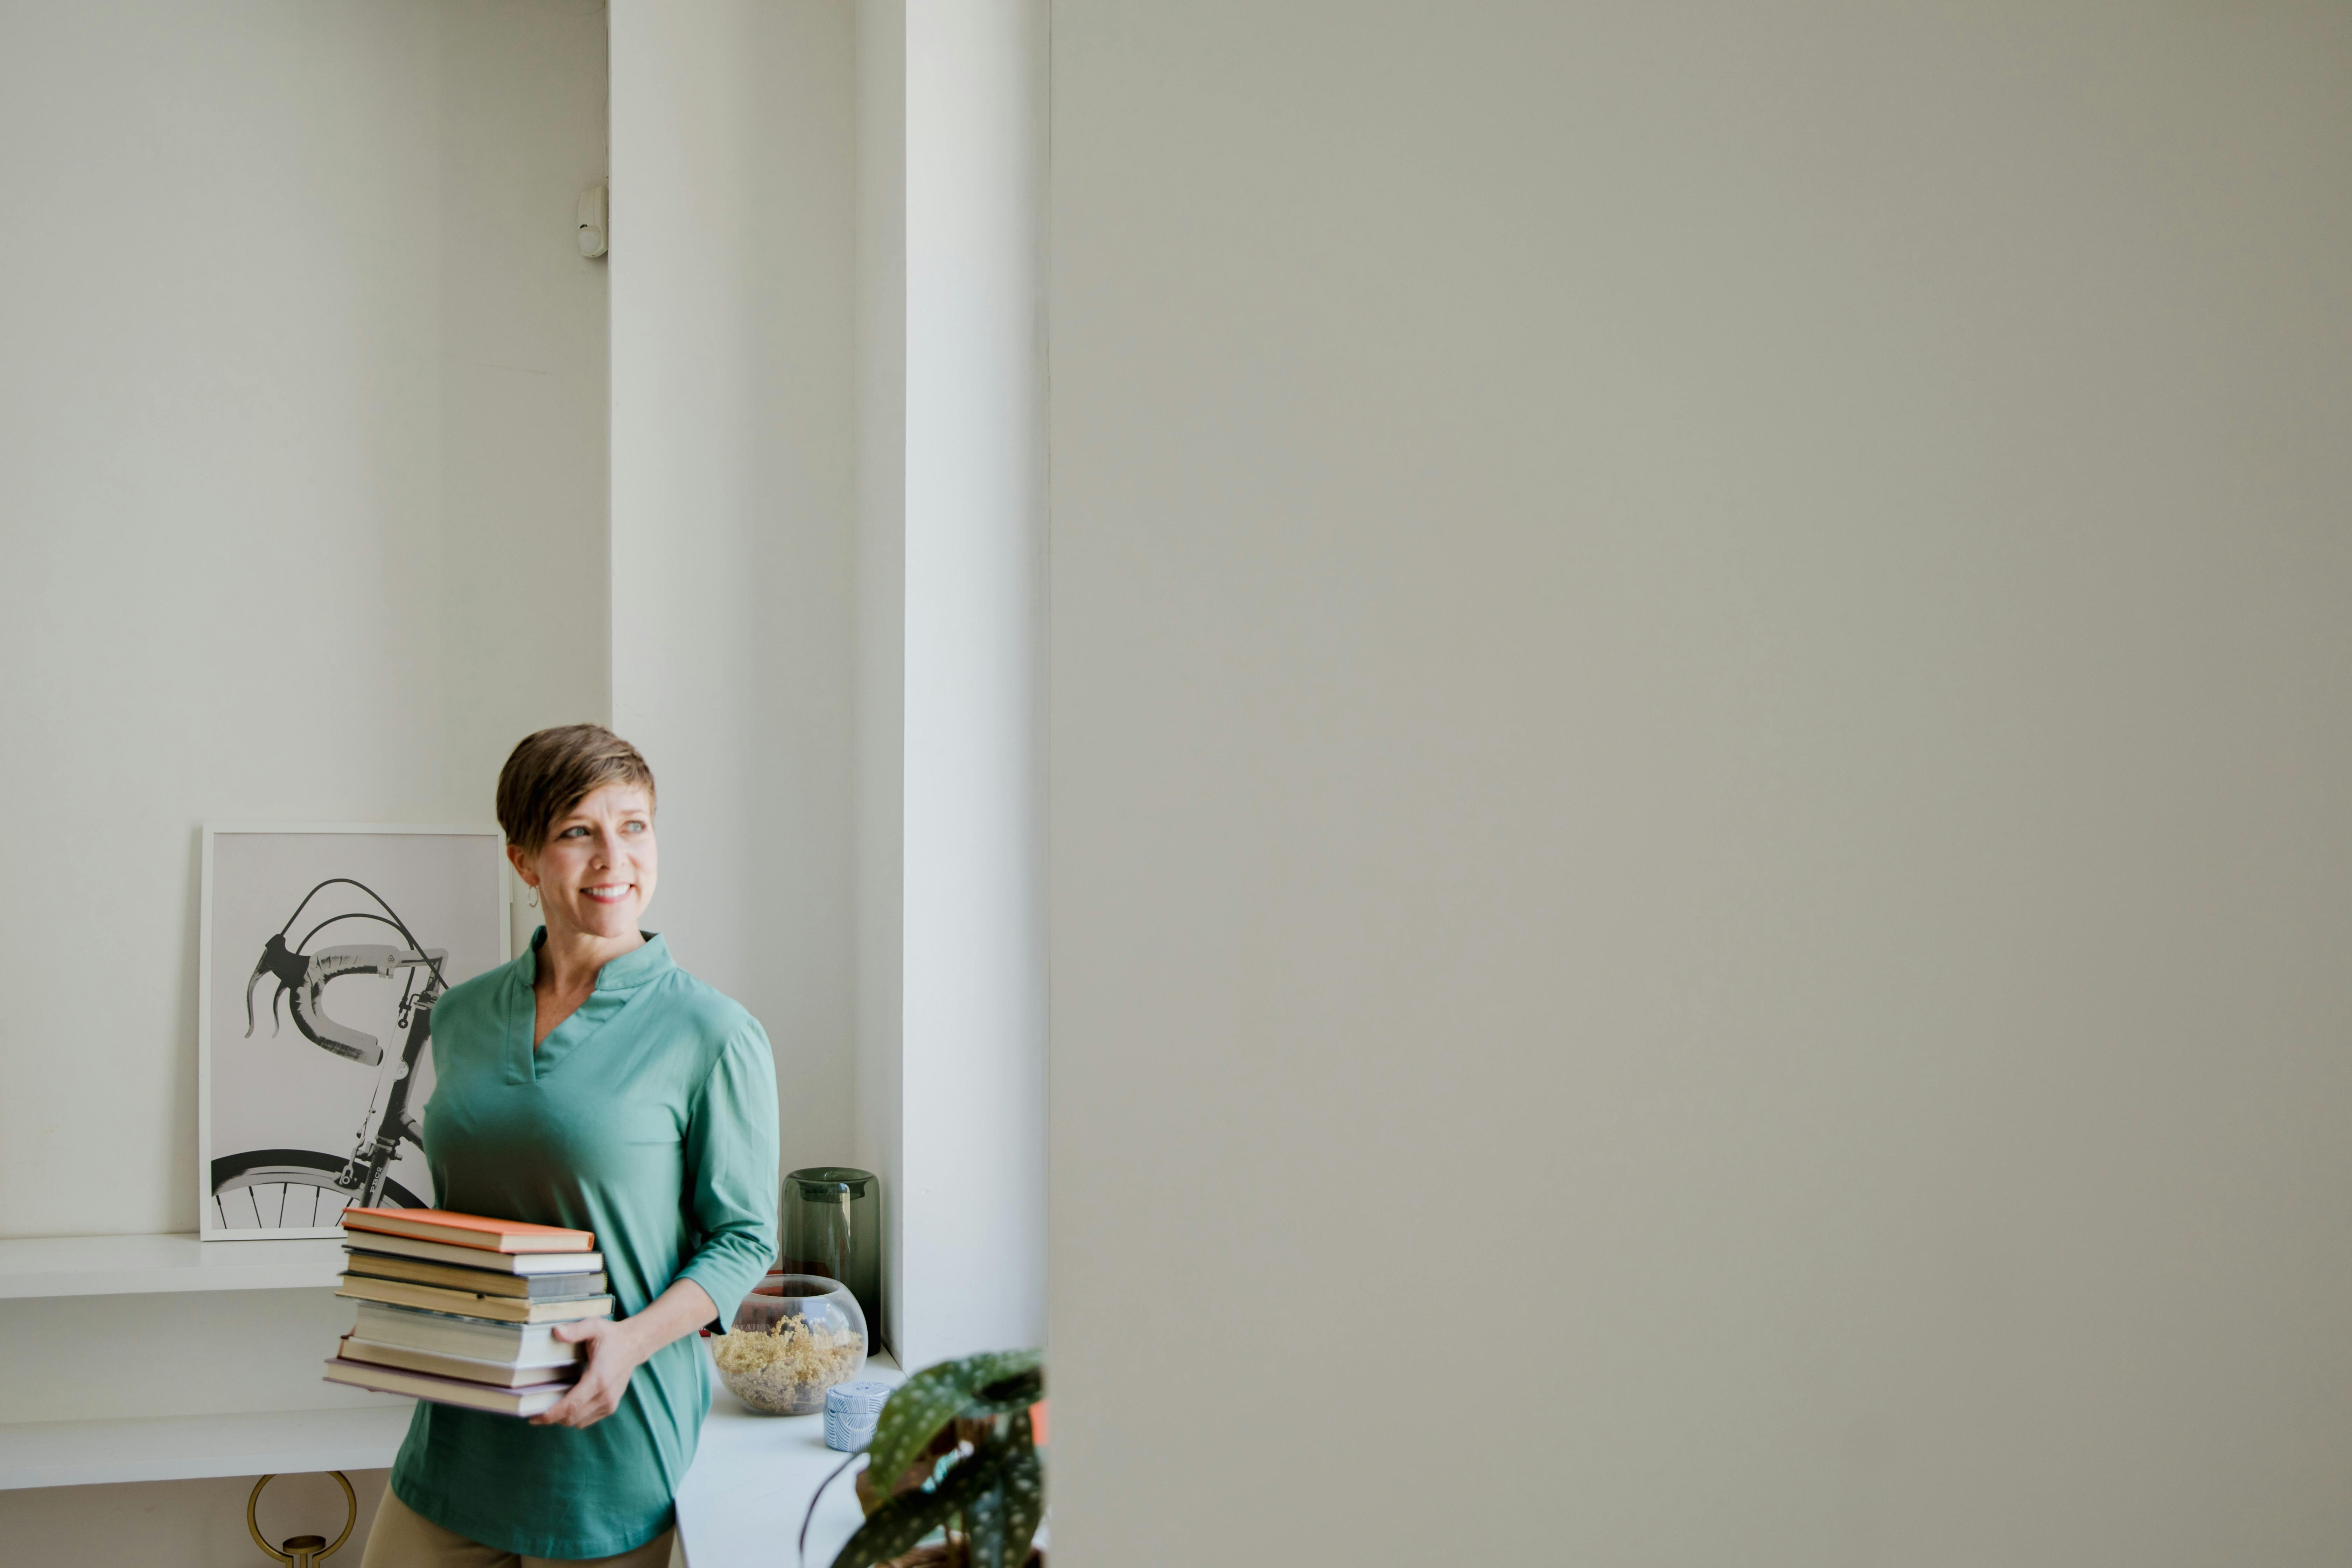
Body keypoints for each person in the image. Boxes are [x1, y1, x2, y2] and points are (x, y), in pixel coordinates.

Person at [360, 725, 780, 1567]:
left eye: (635, 825)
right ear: (523, 860)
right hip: (459, 1427)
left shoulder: (714, 1032)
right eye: (577, 831)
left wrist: (627, 1341)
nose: (612, 858)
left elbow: (744, 1240)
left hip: (607, 1438)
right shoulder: (462, 1014)